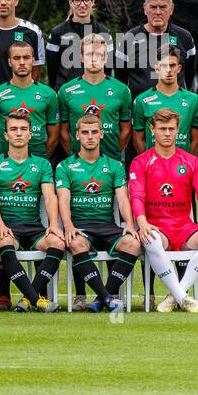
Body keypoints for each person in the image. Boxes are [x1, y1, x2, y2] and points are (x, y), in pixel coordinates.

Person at [129, 108, 198, 313]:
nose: (167, 133)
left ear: (178, 129)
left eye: (171, 128)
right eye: (162, 128)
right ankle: (183, 297)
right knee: (150, 237)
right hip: (157, 226)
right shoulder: (140, 162)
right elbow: (136, 196)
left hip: (184, 227)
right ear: (152, 130)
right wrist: (142, 222)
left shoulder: (192, 162)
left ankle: (176, 295)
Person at [56, 114, 141, 313]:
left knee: (133, 243)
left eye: (94, 132)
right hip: (81, 227)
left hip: (108, 226)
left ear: (101, 134)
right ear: (77, 136)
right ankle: (107, 298)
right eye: (85, 133)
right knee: (76, 243)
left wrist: (129, 223)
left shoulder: (115, 166)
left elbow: (122, 198)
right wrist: (68, 226)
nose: (90, 137)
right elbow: (63, 199)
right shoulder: (65, 166)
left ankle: (100, 299)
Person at [0, 110, 66, 312]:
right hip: (9, 227)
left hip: (34, 228)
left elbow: (49, 197)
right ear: (6, 135)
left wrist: (53, 225)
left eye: (23, 129)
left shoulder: (42, 164)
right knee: (4, 241)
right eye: (13, 129)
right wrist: (0, 225)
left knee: (58, 242)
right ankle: (37, 299)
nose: (18, 133)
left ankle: (28, 299)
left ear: (30, 134)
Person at [57, 33, 132, 161]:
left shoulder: (121, 90)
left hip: (111, 164)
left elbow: (126, 130)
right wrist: (75, 155)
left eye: (98, 54)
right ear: (81, 57)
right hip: (77, 165)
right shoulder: (66, 91)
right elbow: (63, 132)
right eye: (89, 54)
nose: (93, 59)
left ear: (105, 58)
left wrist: (113, 155)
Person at [115, 0, 198, 97]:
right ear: (145, 8)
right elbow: (120, 81)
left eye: (163, 7)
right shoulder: (128, 38)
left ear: (171, 9)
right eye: (153, 7)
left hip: (176, 110)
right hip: (140, 111)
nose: (158, 12)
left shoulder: (185, 37)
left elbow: (189, 75)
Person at [0, 39, 59, 159]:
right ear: (9, 62)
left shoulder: (49, 94)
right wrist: (1, 160)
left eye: (26, 57)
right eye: (16, 58)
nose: (22, 62)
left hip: (38, 164)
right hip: (6, 165)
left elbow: (54, 136)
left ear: (33, 60)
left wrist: (42, 161)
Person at [131, 47, 198, 153]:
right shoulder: (142, 100)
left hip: (182, 167)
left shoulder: (194, 100)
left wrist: (188, 163)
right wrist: (148, 163)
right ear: (156, 68)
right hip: (153, 167)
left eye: (172, 65)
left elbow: (195, 140)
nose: (168, 70)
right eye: (164, 65)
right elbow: (138, 139)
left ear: (179, 68)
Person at [45, 0, 111, 87]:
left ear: (92, 2)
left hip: (95, 94)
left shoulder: (104, 32)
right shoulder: (57, 33)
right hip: (66, 95)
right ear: (71, 2)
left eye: (86, 0)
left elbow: (108, 69)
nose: (82, 4)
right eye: (77, 0)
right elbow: (52, 70)